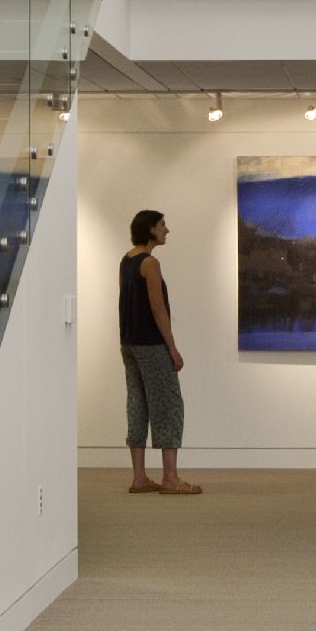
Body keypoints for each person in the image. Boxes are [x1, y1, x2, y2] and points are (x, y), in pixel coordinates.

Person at [120, 209, 197, 494]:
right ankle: (170, 478)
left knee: (137, 404)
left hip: (129, 343)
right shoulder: (150, 263)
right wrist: (172, 348)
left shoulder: (126, 260)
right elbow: (157, 308)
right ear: (151, 229)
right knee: (168, 405)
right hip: (151, 344)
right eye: (162, 225)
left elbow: (125, 303)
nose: (167, 230)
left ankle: (139, 478)